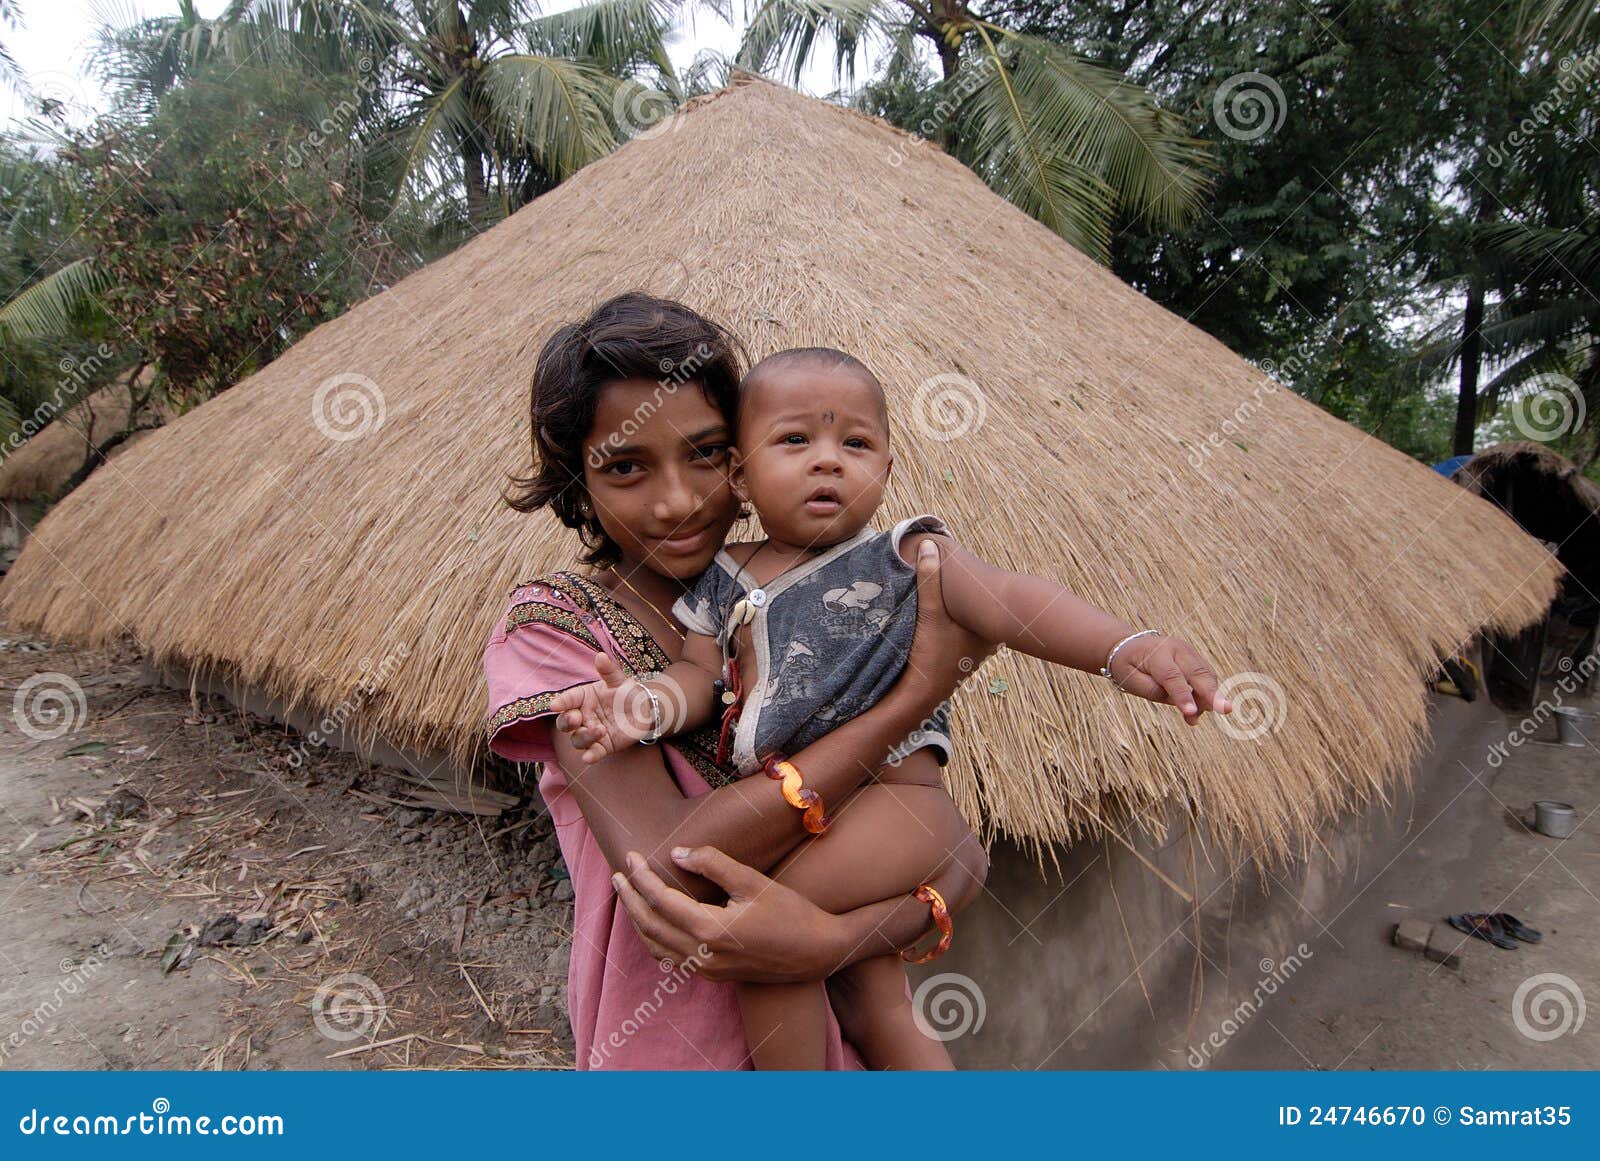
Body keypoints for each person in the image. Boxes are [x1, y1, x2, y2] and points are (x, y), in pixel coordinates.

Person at [549, 347, 1233, 1068]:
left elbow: (1012, 597)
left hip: (895, 804)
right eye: (795, 440)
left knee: (756, 932)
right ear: (742, 475)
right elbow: (695, 675)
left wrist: (1124, 647)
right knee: (876, 995)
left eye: (856, 443)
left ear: (886, 470)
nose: (827, 461)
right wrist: (644, 707)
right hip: (811, 821)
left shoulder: (908, 555)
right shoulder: (724, 578)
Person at [482, 293, 993, 1070]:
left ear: (746, 461)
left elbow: (957, 852)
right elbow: (666, 862)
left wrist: (830, 939)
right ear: (576, 483)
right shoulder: (558, 628)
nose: (678, 500)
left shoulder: (811, 600)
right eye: (625, 466)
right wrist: (912, 700)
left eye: (706, 454)